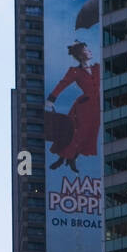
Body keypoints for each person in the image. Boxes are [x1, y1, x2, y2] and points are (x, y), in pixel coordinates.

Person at [46, 42, 100, 173]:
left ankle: (72, 158)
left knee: (90, 134)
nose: (90, 52)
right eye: (87, 50)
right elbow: (62, 84)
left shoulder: (98, 68)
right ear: (81, 55)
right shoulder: (75, 71)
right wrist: (51, 99)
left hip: (98, 106)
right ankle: (63, 158)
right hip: (84, 106)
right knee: (76, 132)